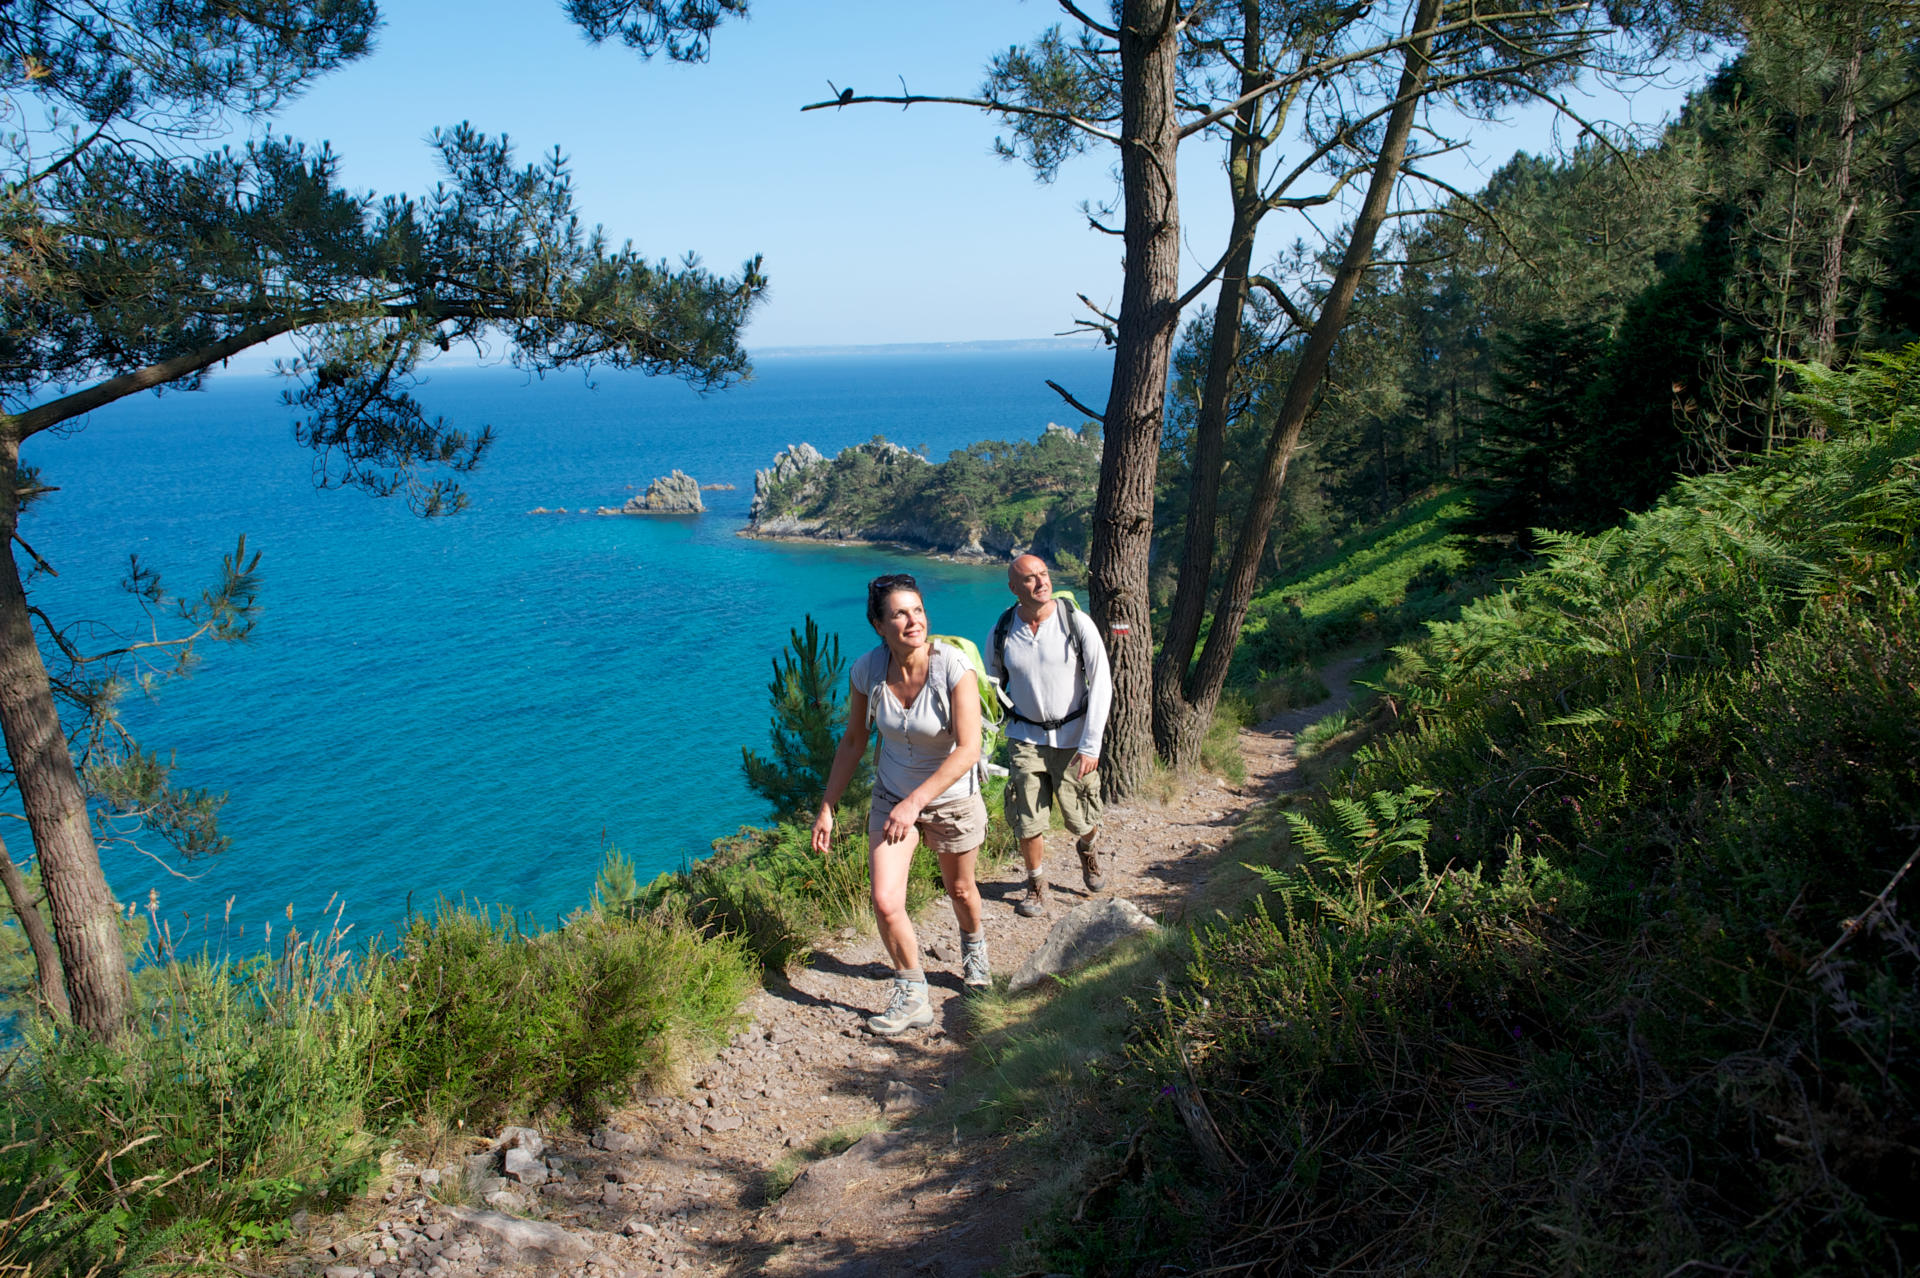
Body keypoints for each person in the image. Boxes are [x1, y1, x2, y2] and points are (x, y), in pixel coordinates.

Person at [814, 572, 992, 1036]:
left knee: (961, 890)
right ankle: (913, 993)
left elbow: (969, 748)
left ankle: (974, 950)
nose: (913, 621)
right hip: (893, 796)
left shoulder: (953, 667)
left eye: (917, 610)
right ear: (878, 625)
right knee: (886, 900)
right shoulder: (867, 671)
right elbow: (853, 741)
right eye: (899, 613)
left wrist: (918, 802)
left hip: (951, 798)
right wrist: (828, 807)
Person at [986, 554, 1112, 917]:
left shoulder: (1076, 622)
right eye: (1029, 578)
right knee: (1028, 818)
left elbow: (1101, 684)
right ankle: (1037, 885)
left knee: (1081, 819)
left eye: (1043, 574)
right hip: (1025, 738)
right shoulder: (1002, 630)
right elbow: (991, 686)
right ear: (1014, 588)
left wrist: (1091, 745)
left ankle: (1088, 849)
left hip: (1074, 740)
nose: (1041, 582)